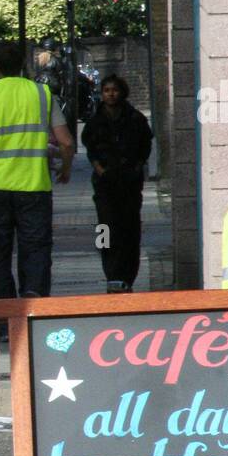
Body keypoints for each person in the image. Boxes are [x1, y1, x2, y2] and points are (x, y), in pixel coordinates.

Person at [0, 39, 74, 336]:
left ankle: (6, 321)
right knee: (35, 248)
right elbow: (66, 141)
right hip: (35, 186)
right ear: (23, 63)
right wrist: (65, 167)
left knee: (0, 252)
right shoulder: (42, 93)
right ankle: (35, 310)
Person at [81, 73, 153, 293]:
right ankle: (111, 273)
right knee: (105, 228)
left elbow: (145, 147)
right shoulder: (95, 121)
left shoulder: (135, 119)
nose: (110, 94)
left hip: (130, 184)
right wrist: (100, 170)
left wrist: (136, 167)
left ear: (122, 92)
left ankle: (127, 276)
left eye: (114, 90)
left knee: (130, 230)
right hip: (105, 186)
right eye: (106, 90)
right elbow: (90, 148)